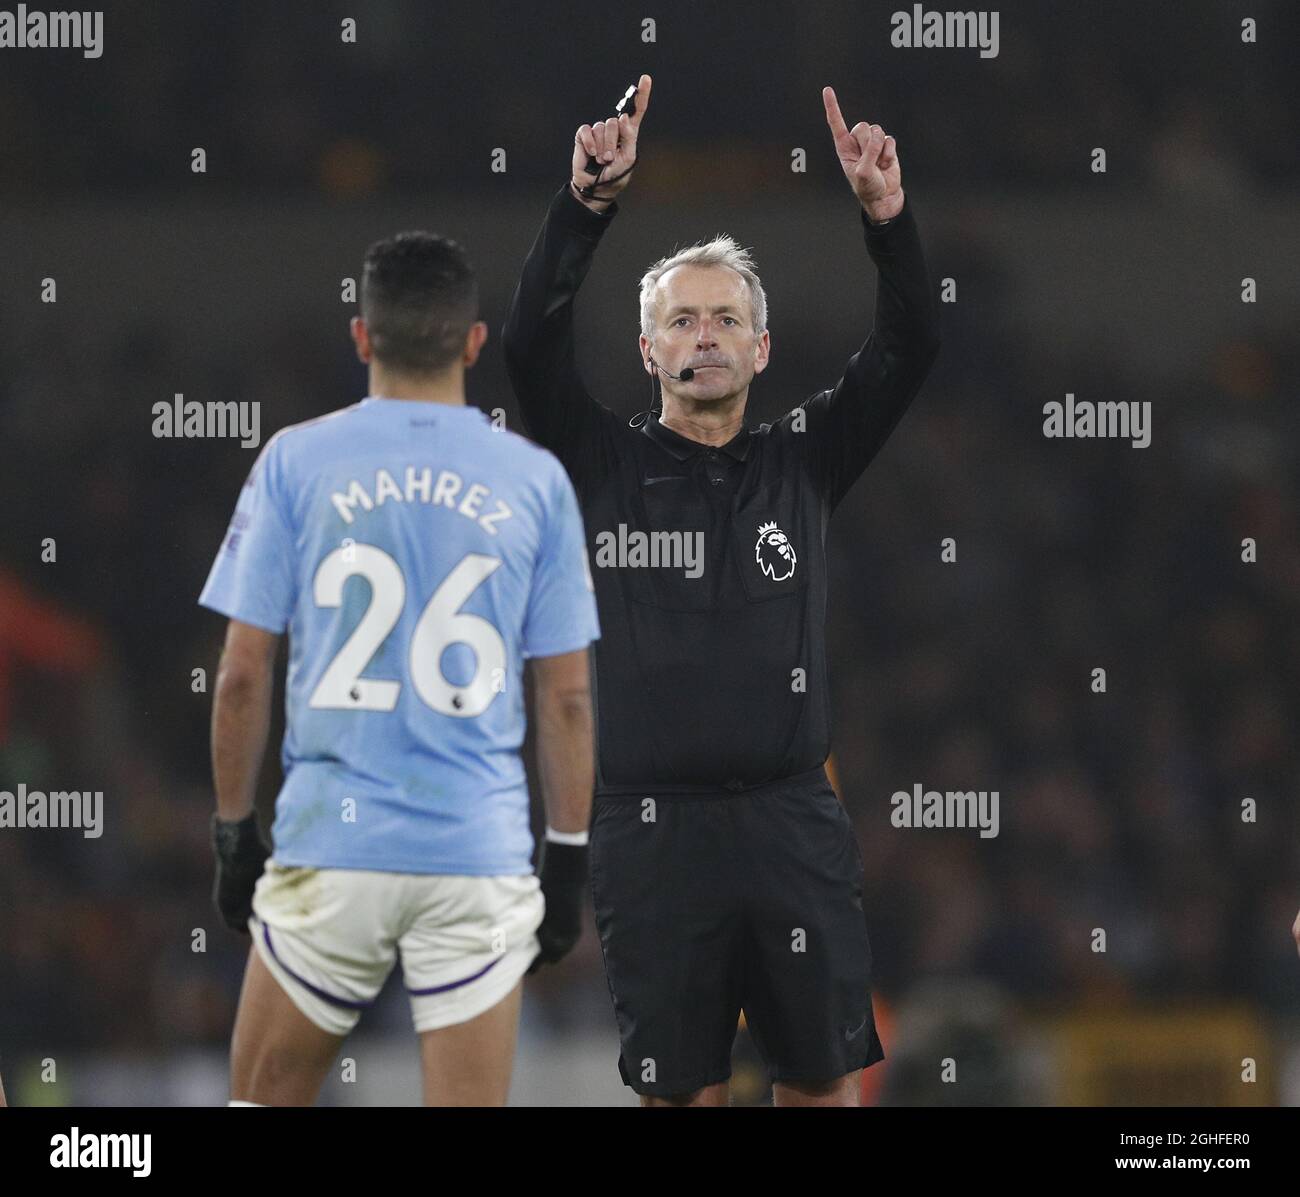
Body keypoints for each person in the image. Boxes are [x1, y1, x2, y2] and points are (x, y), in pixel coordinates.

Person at [503, 74, 940, 1106]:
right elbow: (528, 343)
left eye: (724, 319)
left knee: (822, 1083)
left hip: (792, 822)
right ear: (649, 347)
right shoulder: (601, 464)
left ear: (761, 347)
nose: (704, 335)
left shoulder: (807, 458)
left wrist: (885, 218)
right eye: (683, 320)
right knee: (677, 1092)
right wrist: (583, 207)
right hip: (651, 832)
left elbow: (911, 345)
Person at [199, 231, 599, 1106]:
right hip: (475, 852)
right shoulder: (534, 480)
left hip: (332, 849)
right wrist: (565, 861)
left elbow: (238, 677)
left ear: (361, 336)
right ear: (473, 342)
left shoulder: (294, 463)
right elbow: (565, 698)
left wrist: (236, 834)